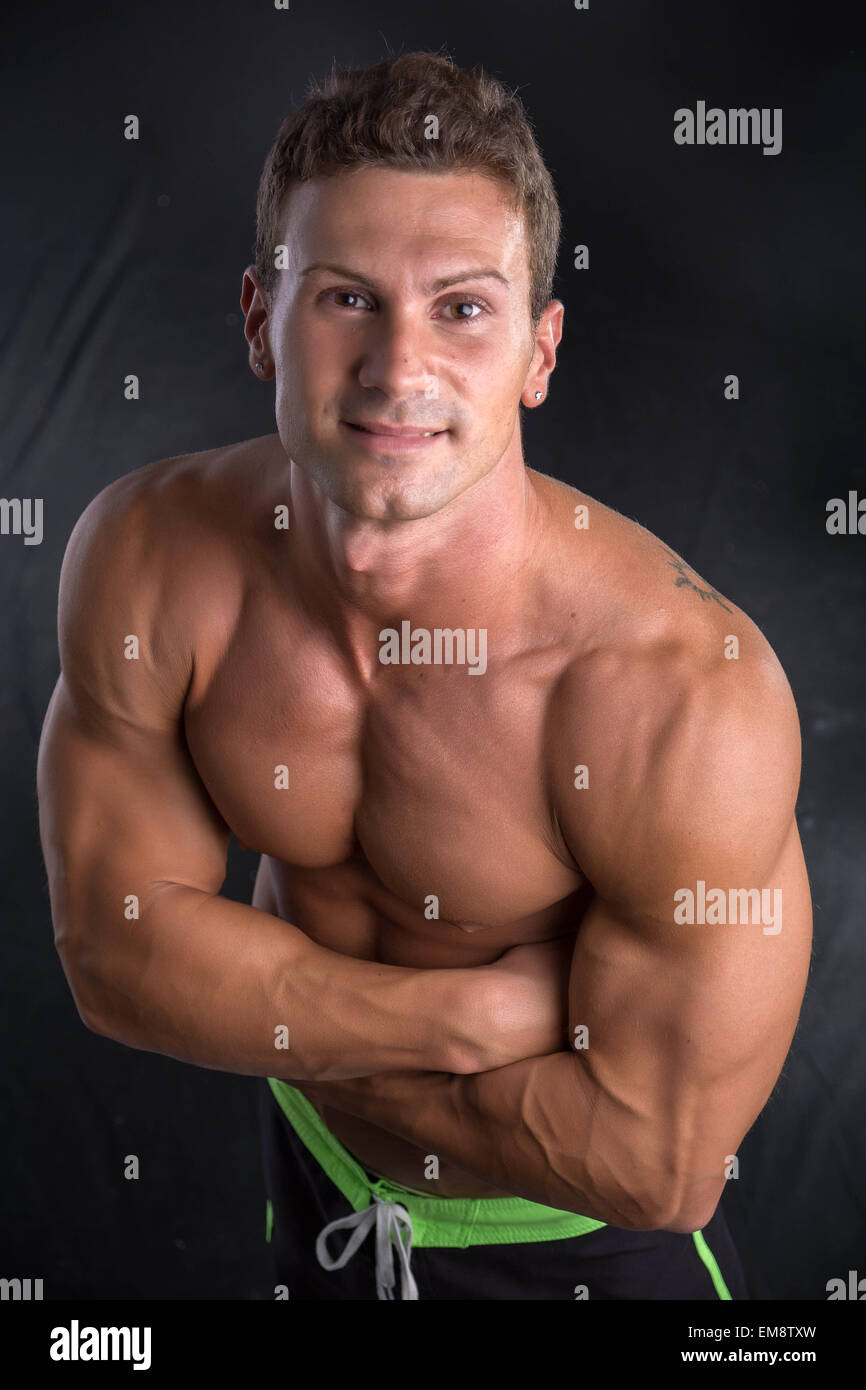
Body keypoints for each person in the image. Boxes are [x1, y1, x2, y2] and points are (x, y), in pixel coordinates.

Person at [37, 51, 812, 1300]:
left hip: (575, 1250)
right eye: (347, 298)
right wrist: (456, 1021)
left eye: (460, 309)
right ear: (260, 321)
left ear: (538, 352)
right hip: (319, 1179)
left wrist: (255, 1002)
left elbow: (658, 1164)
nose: (399, 370)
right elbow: (116, 957)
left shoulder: (675, 697)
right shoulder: (148, 557)